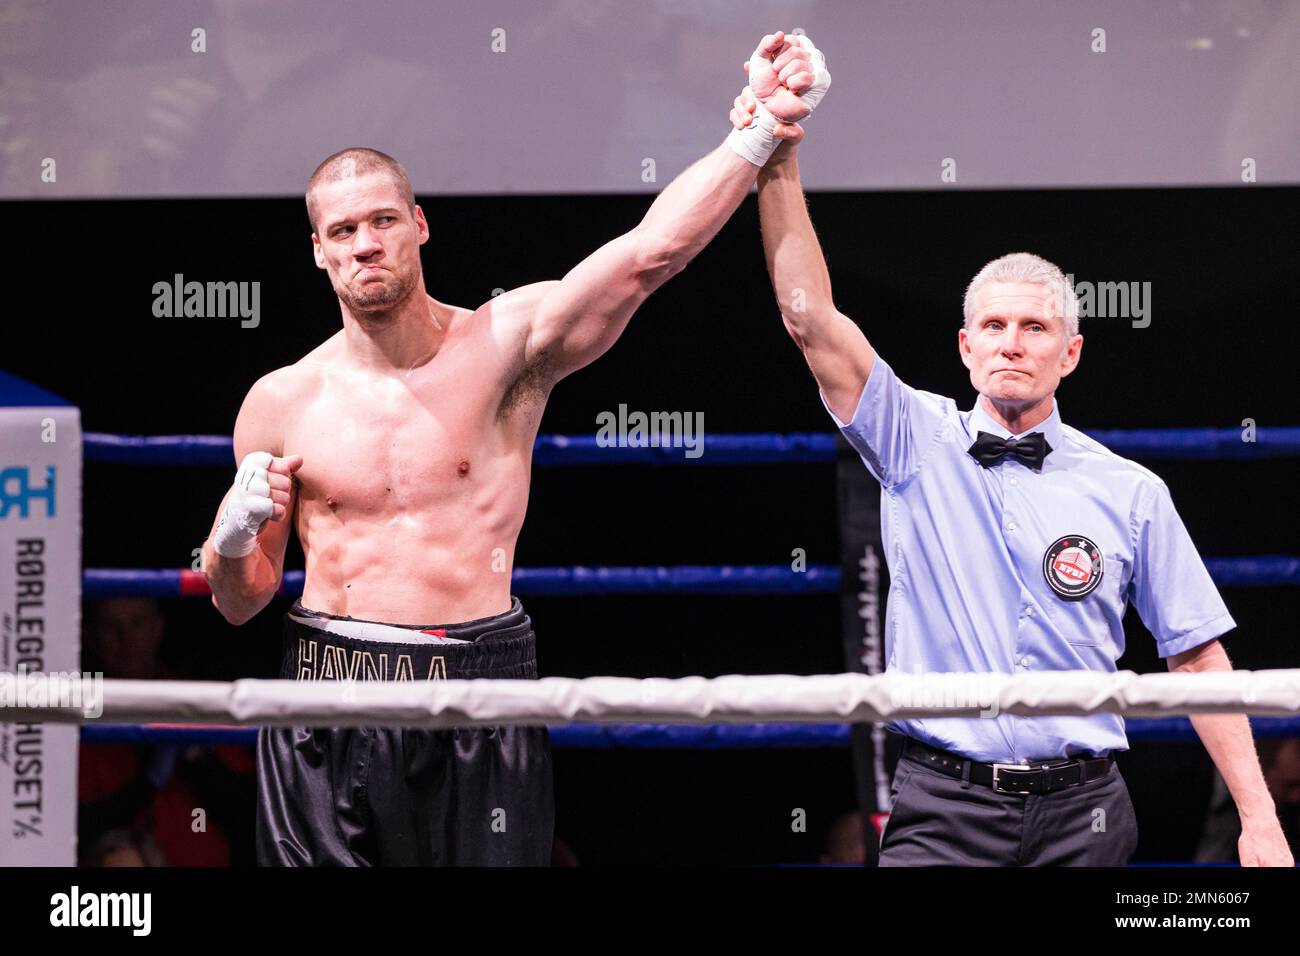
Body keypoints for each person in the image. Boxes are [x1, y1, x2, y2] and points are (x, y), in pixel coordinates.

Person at [200, 31, 831, 866]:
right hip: (325, 692)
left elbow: (649, 255)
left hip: (480, 684)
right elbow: (240, 602)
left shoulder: (505, 345)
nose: (366, 244)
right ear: (318, 250)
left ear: (418, 226)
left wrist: (758, 135)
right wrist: (232, 536)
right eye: (344, 229)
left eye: (384, 220)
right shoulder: (279, 402)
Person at [729, 63, 1293, 866]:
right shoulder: (912, 438)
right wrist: (776, 158)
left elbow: (1197, 653)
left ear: (1071, 353)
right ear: (965, 347)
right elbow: (809, 319)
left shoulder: (1129, 491)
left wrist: (1259, 817)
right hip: (942, 802)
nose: (1011, 343)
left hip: (1086, 811)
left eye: (1034, 327)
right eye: (993, 325)